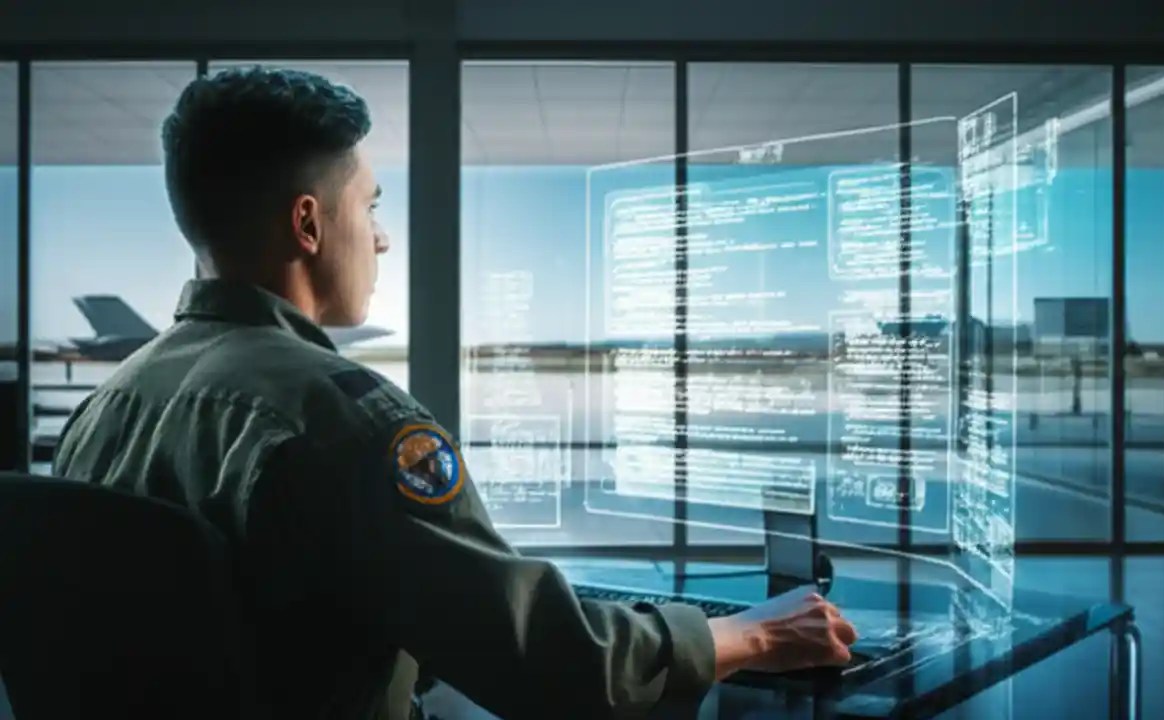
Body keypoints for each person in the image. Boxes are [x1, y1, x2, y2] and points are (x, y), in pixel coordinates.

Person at [52, 66, 857, 720]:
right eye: (369, 207)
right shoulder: (345, 422)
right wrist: (748, 637)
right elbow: (556, 668)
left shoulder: (103, 412)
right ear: (308, 224)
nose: (381, 237)